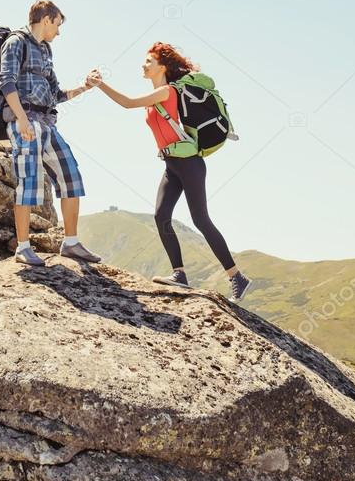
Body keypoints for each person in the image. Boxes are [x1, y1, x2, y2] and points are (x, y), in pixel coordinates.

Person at [89, 42, 253, 300]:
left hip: (189, 164)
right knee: (161, 215)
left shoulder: (167, 92)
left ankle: (237, 277)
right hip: (172, 164)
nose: (143, 65)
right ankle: (179, 274)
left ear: (162, 67)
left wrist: (100, 84)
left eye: (148, 61)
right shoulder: (157, 95)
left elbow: (128, 103)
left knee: (200, 219)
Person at [0, 0, 101, 266]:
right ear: (46, 19)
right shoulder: (15, 42)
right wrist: (21, 119)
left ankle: (71, 243)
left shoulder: (45, 51)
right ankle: (23, 248)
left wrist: (84, 88)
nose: (58, 32)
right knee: (28, 182)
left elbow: (56, 94)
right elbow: (6, 80)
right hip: (25, 122)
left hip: (47, 123)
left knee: (71, 177)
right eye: (57, 25)